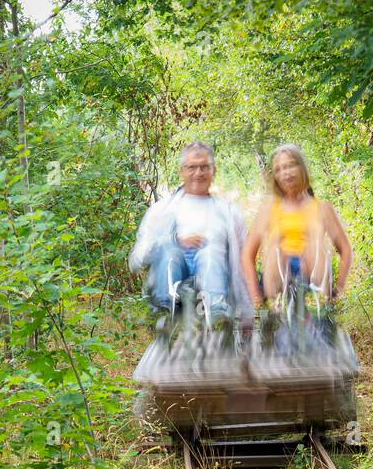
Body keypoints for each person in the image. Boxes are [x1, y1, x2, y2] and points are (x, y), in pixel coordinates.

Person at [129, 141, 253, 332]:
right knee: (170, 251)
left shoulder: (229, 212)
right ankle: (166, 310)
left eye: (204, 167)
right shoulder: (161, 211)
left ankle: (217, 311)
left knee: (209, 252)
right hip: (172, 276)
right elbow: (137, 260)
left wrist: (247, 312)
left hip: (216, 277)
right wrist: (173, 241)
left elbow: (243, 261)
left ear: (214, 170)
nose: (198, 173)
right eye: (191, 167)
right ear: (181, 171)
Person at [240, 144, 353, 330]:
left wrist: (338, 291)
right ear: (275, 177)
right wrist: (256, 299)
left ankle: (314, 304)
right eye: (279, 169)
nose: (286, 173)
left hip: (313, 271)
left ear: (302, 168)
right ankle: (278, 308)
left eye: (291, 165)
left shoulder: (322, 208)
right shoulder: (268, 208)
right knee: (277, 249)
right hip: (278, 272)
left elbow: (346, 250)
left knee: (314, 246)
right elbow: (247, 255)